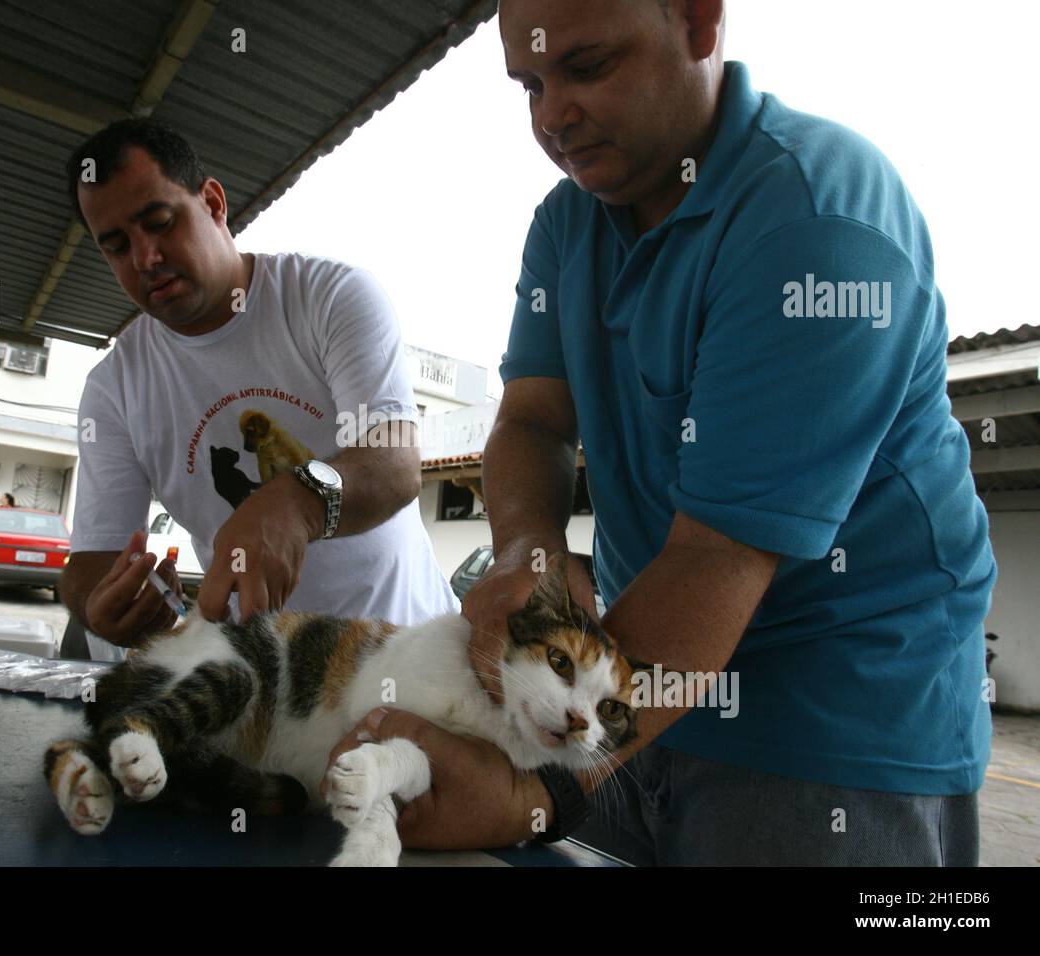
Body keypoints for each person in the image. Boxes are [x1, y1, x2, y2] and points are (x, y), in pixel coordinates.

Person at [333, 0, 994, 866]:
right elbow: (531, 422)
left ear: (698, 20)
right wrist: (530, 552)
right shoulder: (567, 224)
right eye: (528, 84)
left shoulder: (815, 225)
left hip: (827, 738)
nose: (550, 116)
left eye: (588, 66)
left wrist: (535, 794)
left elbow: (719, 555)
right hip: (639, 680)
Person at [59, 118, 457, 650]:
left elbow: (393, 462)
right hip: (271, 693)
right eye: (115, 246)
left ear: (214, 204)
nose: (145, 259)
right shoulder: (115, 387)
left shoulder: (329, 298)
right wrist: (98, 607)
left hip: (409, 655)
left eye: (159, 222)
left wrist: (297, 501)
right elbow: (93, 558)